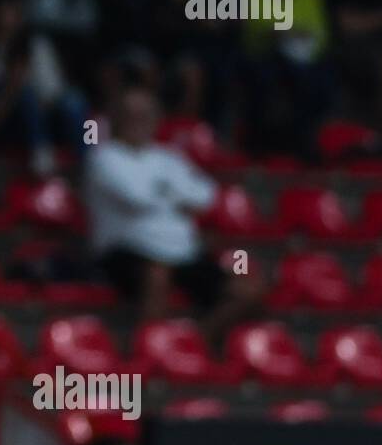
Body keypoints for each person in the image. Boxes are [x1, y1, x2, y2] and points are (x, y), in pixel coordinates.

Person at [85, 85, 263, 344]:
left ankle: (193, 343)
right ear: (116, 119)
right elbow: (137, 196)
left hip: (183, 253)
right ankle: (150, 348)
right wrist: (175, 195)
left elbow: (206, 196)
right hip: (124, 254)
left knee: (249, 289)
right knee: (157, 274)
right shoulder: (103, 157)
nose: (138, 121)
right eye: (130, 114)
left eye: (144, 114)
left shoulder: (169, 157)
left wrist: (162, 192)